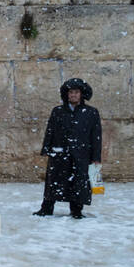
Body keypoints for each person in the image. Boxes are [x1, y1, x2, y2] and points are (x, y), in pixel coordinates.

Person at [34, 77, 102, 219]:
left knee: (79, 182)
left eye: (76, 92)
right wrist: (47, 148)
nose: (73, 95)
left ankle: (76, 210)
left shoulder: (91, 112)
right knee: (54, 181)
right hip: (60, 152)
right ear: (67, 94)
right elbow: (50, 131)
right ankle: (46, 208)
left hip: (81, 154)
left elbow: (96, 136)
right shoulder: (58, 111)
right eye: (71, 92)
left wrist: (96, 157)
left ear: (81, 94)